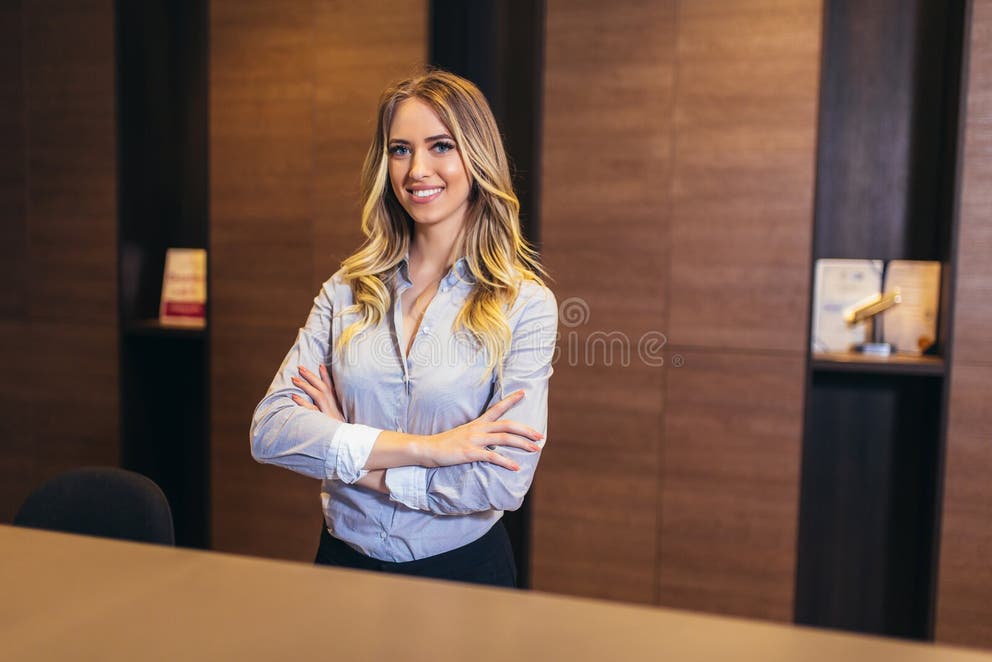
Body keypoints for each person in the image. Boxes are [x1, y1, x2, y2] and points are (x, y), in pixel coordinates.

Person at [250, 69, 557, 588]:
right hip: (343, 566)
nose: (418, 169)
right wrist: (430, 449)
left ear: (476, 156)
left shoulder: (525, 305)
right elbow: (272, 431)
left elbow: (503, 482)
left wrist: (353, 457)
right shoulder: (346, 289)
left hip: (464, 576)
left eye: (441, 146)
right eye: (400, 150)